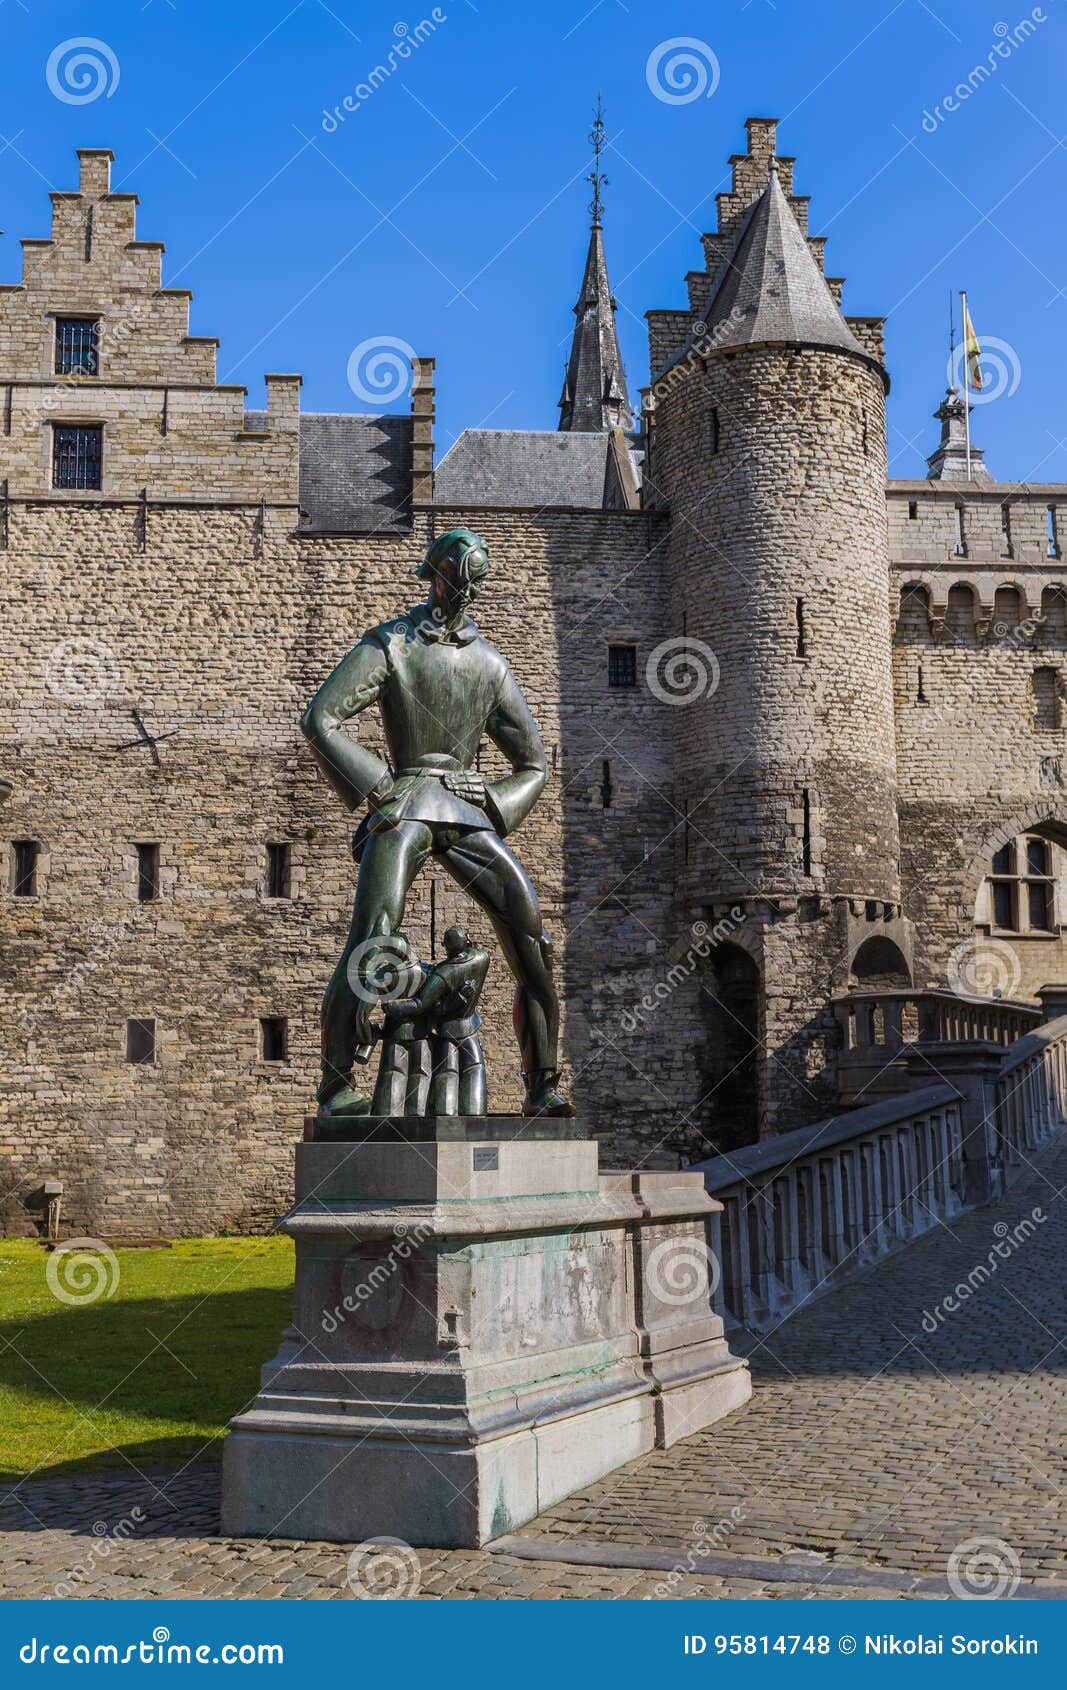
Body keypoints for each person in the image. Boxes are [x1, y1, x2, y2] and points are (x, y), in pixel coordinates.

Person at [300, 527, 571, 1118]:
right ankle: (336, 1086)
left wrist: (492, 798)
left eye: (471, 585)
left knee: (532, 940)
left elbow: (534, 765)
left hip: (467, 812)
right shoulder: (391, 645)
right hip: (405, 802)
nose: (462, 594)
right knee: (371, 937)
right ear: (436, 579)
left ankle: (542, 1086)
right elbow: (320, 718)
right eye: (455, 581)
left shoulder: (489, 665)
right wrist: (380, 786)